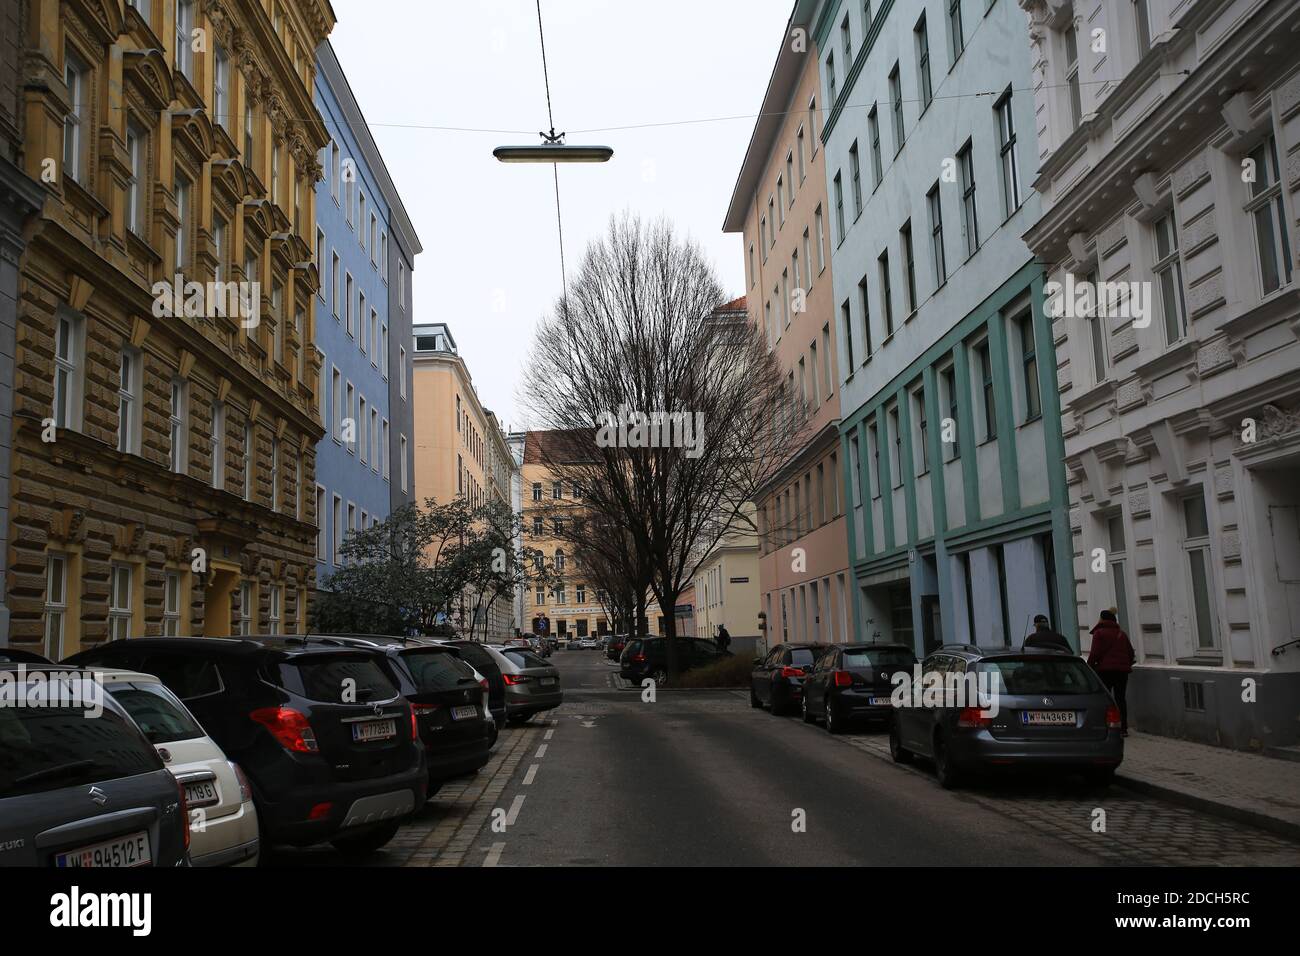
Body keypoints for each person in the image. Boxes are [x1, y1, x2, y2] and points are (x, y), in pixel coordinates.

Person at [1087, 609, 1135, 735]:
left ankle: (1108, 726)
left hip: (1105, 671)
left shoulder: (1099, 633)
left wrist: (1088, 667)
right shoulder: (1122, 634)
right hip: (1121, 672)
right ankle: (1123, 728)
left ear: (1102, 619)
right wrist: (1126, 665)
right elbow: (1130, 653)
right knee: (1120, 699)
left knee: (1105, 699)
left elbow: (1095, 653)